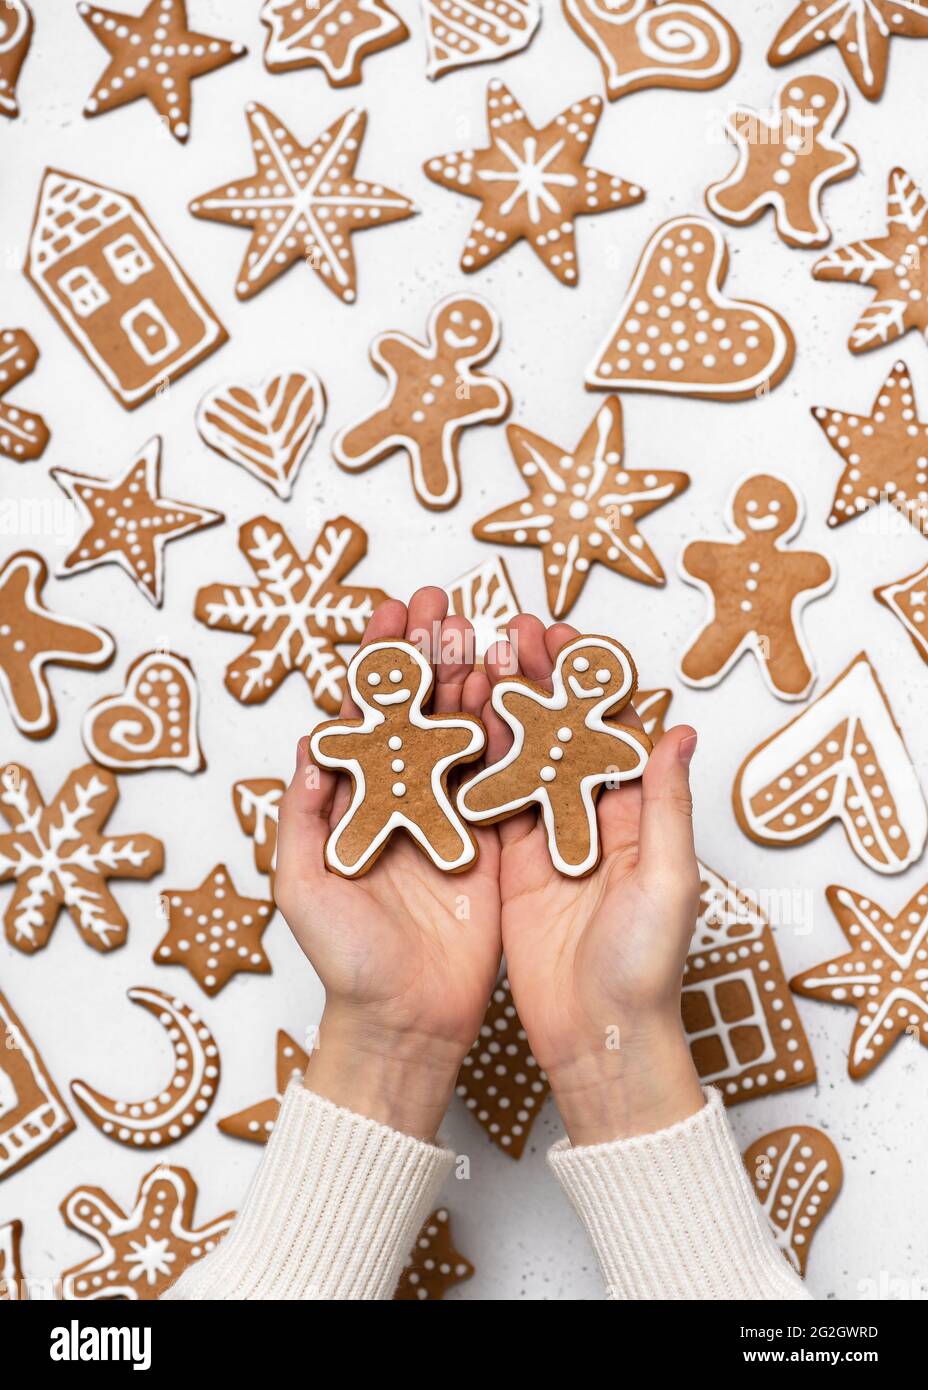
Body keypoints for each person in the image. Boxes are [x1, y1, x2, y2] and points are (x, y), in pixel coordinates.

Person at [166, 588, 807, 1301]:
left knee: (536, 814)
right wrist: (389, 1034)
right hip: (451, 790)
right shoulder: (454, 732)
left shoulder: (556, 735)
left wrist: (611, 1038)